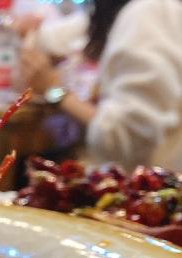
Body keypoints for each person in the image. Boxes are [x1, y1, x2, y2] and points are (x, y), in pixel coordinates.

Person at [20, 0, 182, 170]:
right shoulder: (147, 13)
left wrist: (55, 90)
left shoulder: (152, 13)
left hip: (140, 185)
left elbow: (122, 139)